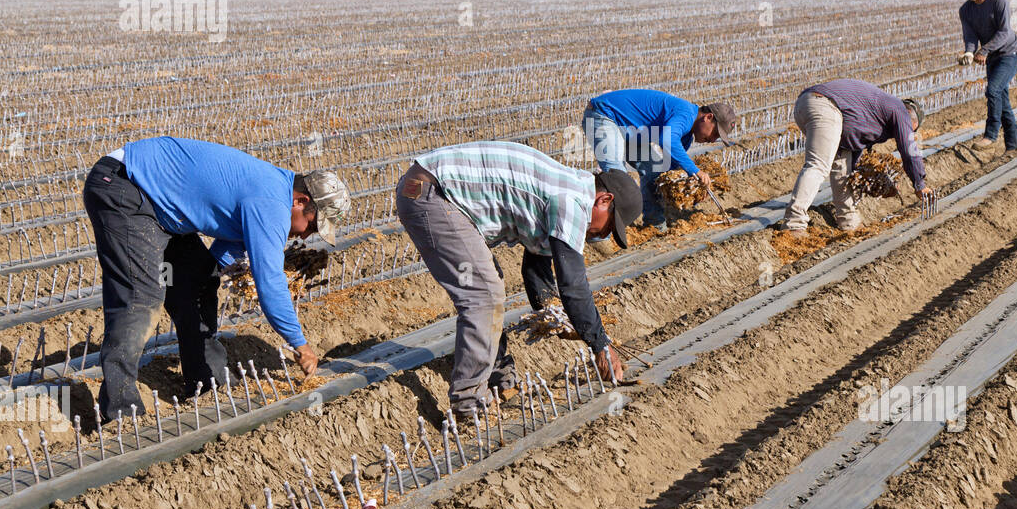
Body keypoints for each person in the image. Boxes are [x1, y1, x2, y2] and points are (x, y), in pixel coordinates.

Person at [82, 137, 350, 421]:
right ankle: (120, 413)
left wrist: (236, 268)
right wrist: (300, 343)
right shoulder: (272, 204)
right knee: (140, 297)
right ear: (301, 200)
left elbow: (224, 246)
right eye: (311, 225)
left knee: (199, 279)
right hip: (126, 187)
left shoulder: (273, 191)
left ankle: (208, 384)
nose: (306, 236)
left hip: (159, 206)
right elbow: (270, 283)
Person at [395, 140, 642, 416]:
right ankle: (469, 403)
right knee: (483, 295)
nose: (601, 235)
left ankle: (498, 379)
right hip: (433, 195)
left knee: (489, 284)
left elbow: (535, 271)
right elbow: (572, 283)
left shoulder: (567, 188)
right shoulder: (572, 202)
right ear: (604, 200)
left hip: (432, 190)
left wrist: (552, 313)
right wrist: (599, 344)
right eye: (608, 226)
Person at [782, 80, 931, 233]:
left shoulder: (877, 114)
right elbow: (909, 149)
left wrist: (869, 178)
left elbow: (853, 156)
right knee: (818, 166)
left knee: (842, 170)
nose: (908, 131)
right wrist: (919, 184)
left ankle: (849, 224)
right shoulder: (900, 110)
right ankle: (794, 224)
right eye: (911, 129)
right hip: (825, 105)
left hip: (813, 105)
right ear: (911, 119)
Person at [582, 89, 738, 229]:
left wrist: (693, 189)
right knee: (617, 177)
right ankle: (600, 233)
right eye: (715, 134)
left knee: (655, 171)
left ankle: (654, 225)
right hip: (603, 115)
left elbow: (669, 173)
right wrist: (696, 170)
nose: (712, 140)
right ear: (708, 117)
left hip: (630, 130)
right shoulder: (685, 114)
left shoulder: (686, 136)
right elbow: (668, 140)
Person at [956, 0, 1017, 152]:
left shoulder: (998, 2)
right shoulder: (965, 11)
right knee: (1003, 102)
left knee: (992, 91)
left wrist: (984, 50)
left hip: (1010, 55)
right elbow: (970, 37)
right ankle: (1013, 146)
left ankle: (990, 135)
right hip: (992, 58)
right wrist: (969, 53)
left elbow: (1005, 33)